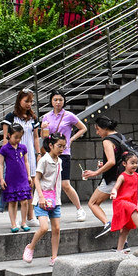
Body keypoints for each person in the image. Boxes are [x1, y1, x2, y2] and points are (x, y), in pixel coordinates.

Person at [40, 91, 88, 221]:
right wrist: (43, 128)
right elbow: (44, 137)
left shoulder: (69, 115)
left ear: (64, 101)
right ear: (51, 101)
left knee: (65, 184)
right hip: (50, 154)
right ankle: (49, 210)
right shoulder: (46, 116)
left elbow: (83, 128)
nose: (58, 102)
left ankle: (80, 209)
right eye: (55, 99)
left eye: (60, 99)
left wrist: (71, 139)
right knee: (49, 183)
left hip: (64, 153)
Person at [23, 134, 67, 265]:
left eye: (64, 146)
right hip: (42, 199)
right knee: (43, 227)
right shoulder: (44, 160)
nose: (61, 149)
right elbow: (36, 178)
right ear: (51, 146)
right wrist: (41, 196)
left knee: (57, 229)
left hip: (55, 199)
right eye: (59, 146)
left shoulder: (60, 161)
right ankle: (30, 247)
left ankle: (54, 257)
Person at [1, 88, 40, 228]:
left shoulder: (33, 118)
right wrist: (5, 155)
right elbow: (5, 138)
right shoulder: (11, 117)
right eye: (26, 101)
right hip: (14, 156)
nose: (29, 104)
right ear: (19, 101)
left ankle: (30, 216)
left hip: (28, 154)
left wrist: (38, 153)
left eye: (31, 101)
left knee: (30, 186)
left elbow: (36, 137)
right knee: (14, 189)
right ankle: (15, 219)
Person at [108, 152, 138, 253]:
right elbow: (116, 187)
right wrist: (113, 192)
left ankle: (119, 250)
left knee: (126, 229)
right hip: (121, 202)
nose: (135, 165)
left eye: (136, 163)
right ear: (124, 164)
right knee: (133, 209)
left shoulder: (136, 176)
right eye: (132, 163)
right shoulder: (122, 176)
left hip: (130, 203)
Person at [83, 116, 123, 238]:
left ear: (105, 128)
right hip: (123, 177)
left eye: (98, 129)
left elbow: (111, 161)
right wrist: (103, 164)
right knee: (120, 210)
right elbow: (119, 158)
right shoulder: (120, 136)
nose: (97, 132)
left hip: (112, 179)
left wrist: (95, 172)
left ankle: (107, 223)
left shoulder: (107, 140)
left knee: (93, 203)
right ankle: (123, 244)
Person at [0, 125, 33, 232]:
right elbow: (1, 164)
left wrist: (28, 175)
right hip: (11, 179)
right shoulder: (4, 149)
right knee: (12, 202)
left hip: (22, 177)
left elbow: (26, 162)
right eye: (15, 137)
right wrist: (1, 178)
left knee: (24, 201)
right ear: (9, 135)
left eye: (20, 137)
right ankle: (13, 224)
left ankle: (23, 222)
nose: (18, 140)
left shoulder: (23, 147)